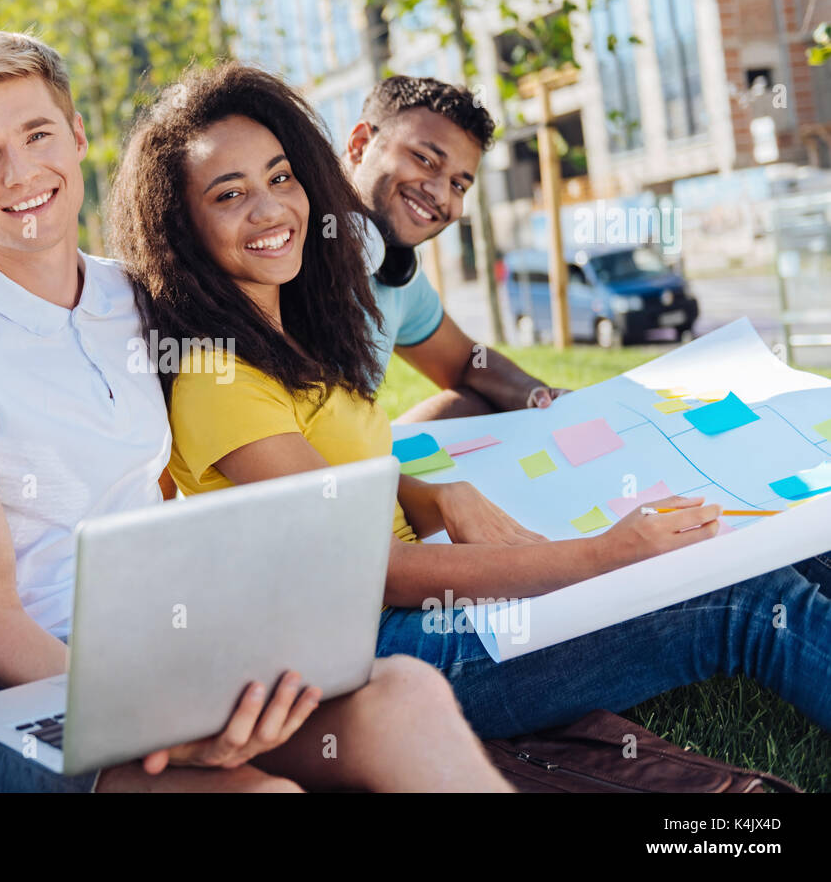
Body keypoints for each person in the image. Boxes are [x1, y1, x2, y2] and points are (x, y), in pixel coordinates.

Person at [0, 31, 511, 792]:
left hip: (179, 645)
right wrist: (162, 717)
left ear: (76, 137)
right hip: (19, 698)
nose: (21, 170)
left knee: (407, 695)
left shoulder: (137, 298)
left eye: (38, 134)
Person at [112, 60, 831, 742]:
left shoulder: (299, 329)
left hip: (413, 594)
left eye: (280, 177)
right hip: (382, 650)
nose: (271, 208)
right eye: (230, 194)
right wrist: (606, 554)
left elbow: (355, 468)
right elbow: (379, 573)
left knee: (760, 539)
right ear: (183, 225)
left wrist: (436, 497)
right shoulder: (217, 378)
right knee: (739, 599)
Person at [343, 75, 567, 422]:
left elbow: (467, 363)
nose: (439, 194)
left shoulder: (395, 271)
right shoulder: (280, 243)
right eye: (425, 159)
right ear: (359, 145)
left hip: (351, 460)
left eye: (458, 184)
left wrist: (538, 394)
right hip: (282, 469)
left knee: (478, 405)